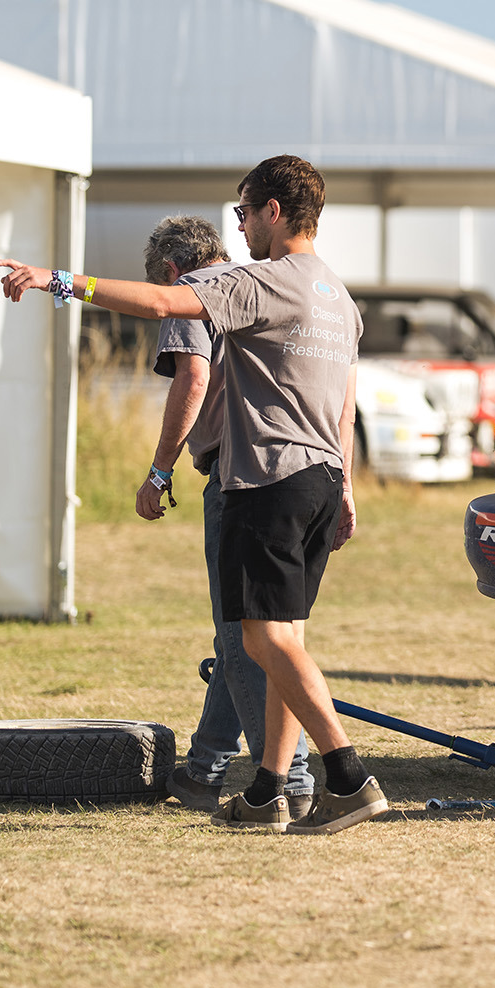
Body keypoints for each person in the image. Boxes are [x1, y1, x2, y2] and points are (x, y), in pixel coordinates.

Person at [0, 154, 387, 833]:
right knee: (283, 641)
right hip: (322, 480)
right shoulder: (339, 299)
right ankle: (267, 791)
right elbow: (345, 408)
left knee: (265, 640)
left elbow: (159, 301)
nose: (238, 228)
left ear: (273, 210)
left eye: (243, 212)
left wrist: (57, 279)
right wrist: (346, 486)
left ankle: (348, 776)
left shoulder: (262, 282)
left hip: (267, 478)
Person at [141, 215, 317, 817]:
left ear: (170, 270)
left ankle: (289, 780)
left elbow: (193, 377)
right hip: (302, 471)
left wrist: (160, 468)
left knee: (245, 635)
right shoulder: (254, 283)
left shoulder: (195, 293)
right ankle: (203, 770)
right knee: (252, 631)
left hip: (239, 474)